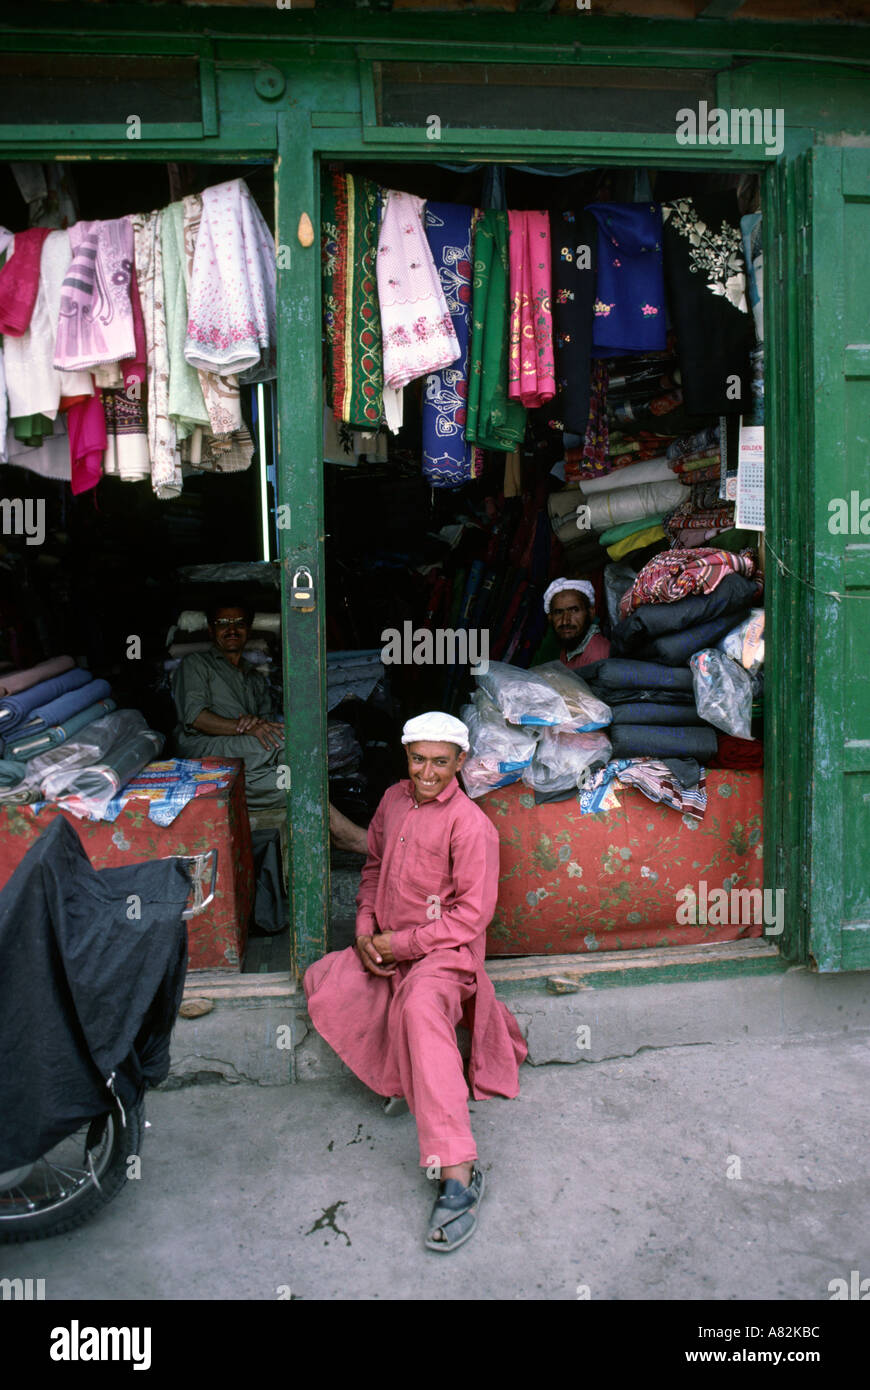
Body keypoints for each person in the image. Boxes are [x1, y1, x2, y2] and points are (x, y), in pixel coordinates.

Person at [303, 711, 527, 1253]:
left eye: (440, 763)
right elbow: (374, 867)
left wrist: (398, 945)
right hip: (387, 945)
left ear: (461, 763)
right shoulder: (392, 801)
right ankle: (412, 1078)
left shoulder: (472, 826)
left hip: (443, 955)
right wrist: (363, 929)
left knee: (422, 1010)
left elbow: (470, 919)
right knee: (323, 978)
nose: (427, 772)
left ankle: (458, 1171)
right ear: (407, 757)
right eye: (419, 759)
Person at [170, 599, 367, 852]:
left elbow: (267, 724)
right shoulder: (196, 664)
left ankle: (340, 836)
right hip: (205, 751)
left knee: (298, 771)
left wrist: (259, 725)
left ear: (248, 629)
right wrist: (245, 727)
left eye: (239, 623)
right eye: (223, 623)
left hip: (246, 760)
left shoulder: (253, 676)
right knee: (289, 746)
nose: (231, 629)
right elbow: (196, 718)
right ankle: (351, 838)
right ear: (211, 630)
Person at [544, 577, 611, 670]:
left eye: (574, 610)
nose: (565, 621)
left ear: (591, 613)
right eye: (558, 612)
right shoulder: (570, 642)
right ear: (550, 618)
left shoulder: (598, 655)